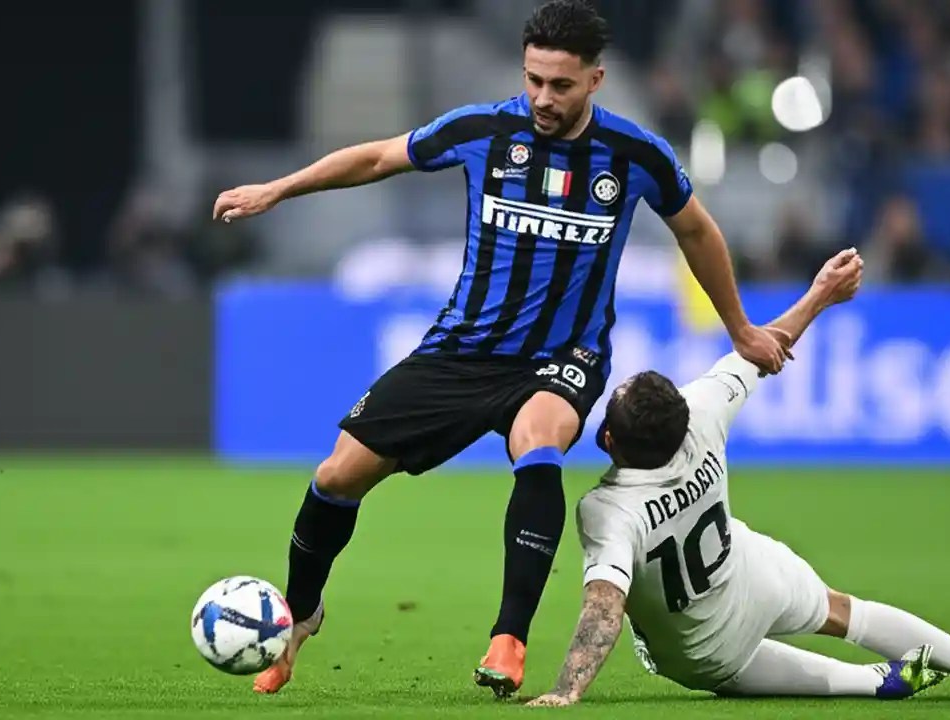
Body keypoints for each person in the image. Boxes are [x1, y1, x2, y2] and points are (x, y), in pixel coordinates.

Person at [211, 0, 789, 698]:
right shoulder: (484, 129)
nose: (543, 98)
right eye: (534, 80)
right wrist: (279, 189)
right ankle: (300, 617)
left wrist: (739, 328)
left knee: (538, 437)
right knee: (337, 475)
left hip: (563, 355)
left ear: (596, 80)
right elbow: (378, 156)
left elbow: (697, 232)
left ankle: (508, 637)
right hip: (462, 348)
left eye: (561, 85)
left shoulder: (634, 155)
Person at [528, 248, 950, 706]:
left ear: (609, 442)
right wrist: (821, 293)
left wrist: (567, 691)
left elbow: (604, 608)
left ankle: (874, 682)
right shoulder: (702, 410)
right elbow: (764, 348)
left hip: (700, 653)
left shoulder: (608, 509)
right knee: (846, 612)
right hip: (754, 578)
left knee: (735, 662)